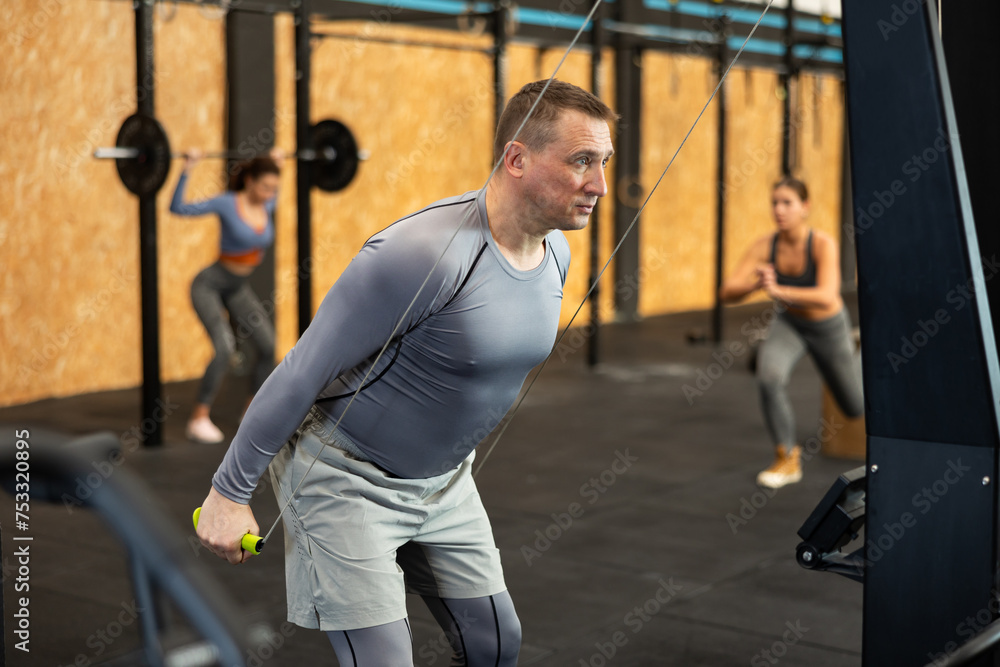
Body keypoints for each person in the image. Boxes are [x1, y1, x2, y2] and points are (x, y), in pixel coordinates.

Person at [195, 79, 617, 666]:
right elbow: (301, 371)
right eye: (581, 161)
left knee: (496, 646)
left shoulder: (556, 253)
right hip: (346, 482)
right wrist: (227, 492)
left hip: (446, 484)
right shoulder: (421, 253)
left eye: (603, 162)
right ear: (516, 158)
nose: (599, 184)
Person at [720, 177, 863, 489]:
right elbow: (726, 291)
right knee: (768, 377)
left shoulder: (822, 244)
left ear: (805, 207)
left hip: (828, 328)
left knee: (855, 407)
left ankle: (861, 351)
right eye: (775, 203)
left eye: (787, 203)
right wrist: (756, 284)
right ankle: (787, 457)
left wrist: (778, 289)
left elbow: (827, 295)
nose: (779, 210)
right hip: (790, 325)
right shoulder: (765, 245)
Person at [169, 152, 280, 444]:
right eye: (266, 187)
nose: (270, 193)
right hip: (209, 286)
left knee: (268, 344)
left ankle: (251, 410)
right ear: (249, 181)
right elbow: (177, 208)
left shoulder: (267, 203)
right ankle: (198, 418)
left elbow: (273, 194)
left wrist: (277, 163)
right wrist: (187, 169)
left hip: (237, 288)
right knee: (224, 348)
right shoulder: (227, 203)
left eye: (274, 189)